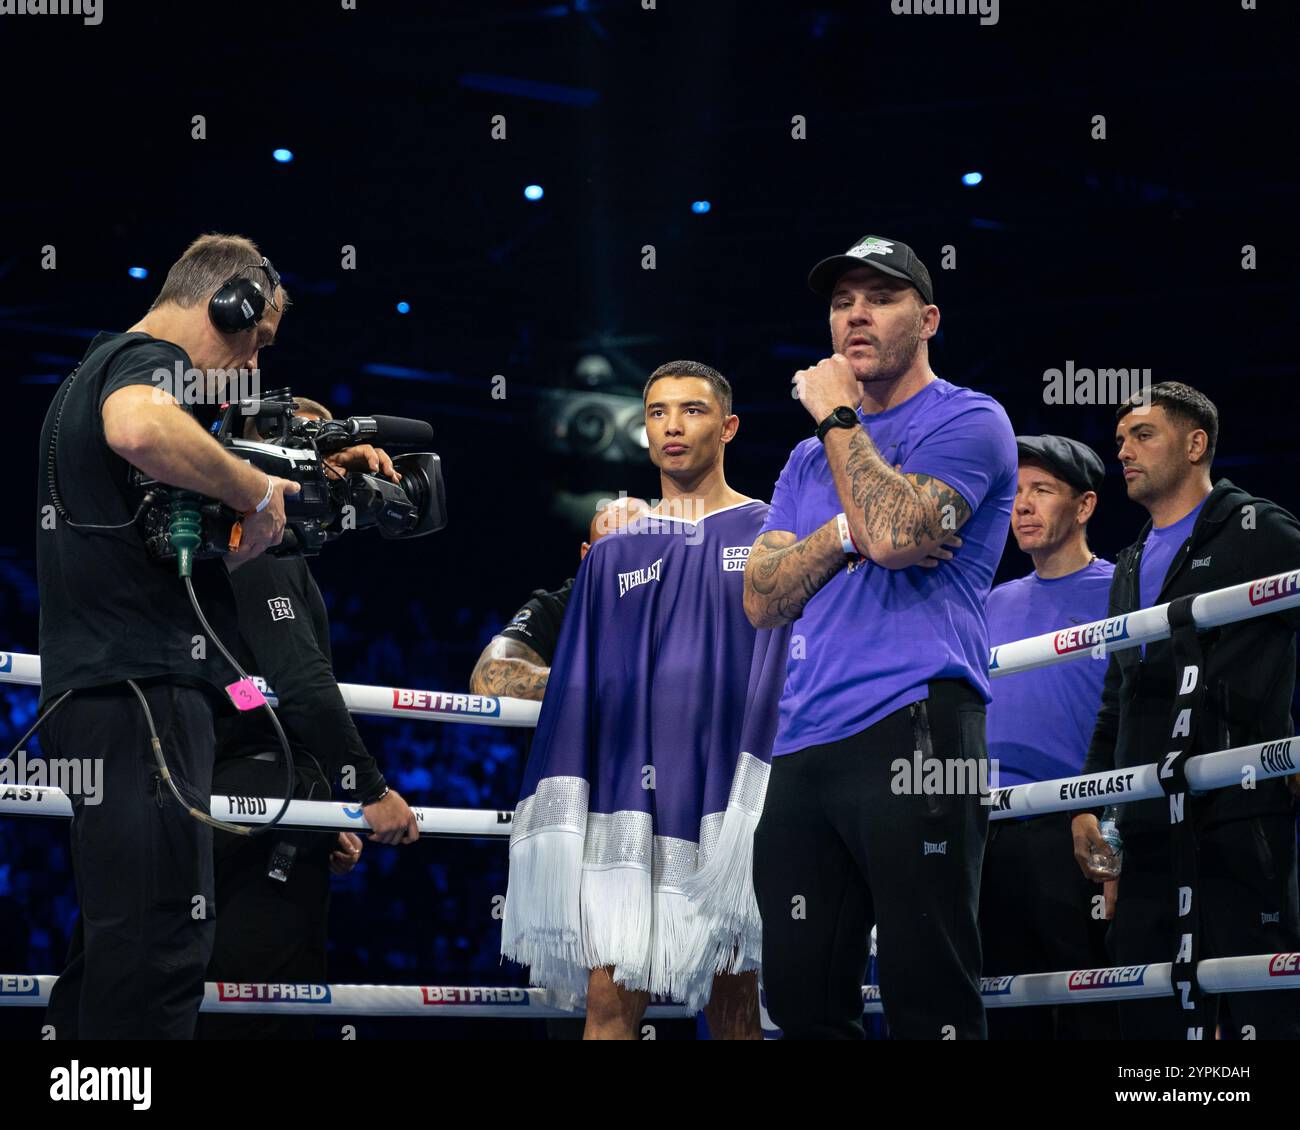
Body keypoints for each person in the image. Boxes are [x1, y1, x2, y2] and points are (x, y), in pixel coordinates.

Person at [747, 234, 1017, 1040]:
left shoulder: (972, 420)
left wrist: (836, 415)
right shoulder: (806, 460)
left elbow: (899, 531)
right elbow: (762, 599)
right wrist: (844, 530)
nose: (856, 314)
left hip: (923, 721)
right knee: (797, 995)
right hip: (806, 740)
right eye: (841, 302)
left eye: (881, 297)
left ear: (927, 318)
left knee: (926, 987)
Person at [37, 233, 298, 1039]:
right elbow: (141, 430)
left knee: (116, 948)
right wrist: (256, 493)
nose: (252, 367)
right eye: (257, 341)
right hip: (140, 699)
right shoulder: (145, 364)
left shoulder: (98, 367)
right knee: (155, 952)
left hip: (108, 699)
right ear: (229, 306)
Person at [501, 360, 787, 1040]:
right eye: (658, 411)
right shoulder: (612, 550)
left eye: (691, 410)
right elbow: (579, 682)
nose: (673, 426)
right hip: (627, 799)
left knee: (735, 1006)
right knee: (609, 1002)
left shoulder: (772, 534)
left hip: (724, 792)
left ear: (729, 425)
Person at [1074, 382, 1300, 1039]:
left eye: (1142, 435)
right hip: (1145, 828)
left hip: (1238, 813)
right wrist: (1091, 801)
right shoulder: (1131, 562)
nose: (1124, 451)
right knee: (1149, 1016)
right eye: (1119, 441)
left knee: (1264, 1004)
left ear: (1196, 443)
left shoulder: (1256, 528)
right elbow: (1117, 696)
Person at [198, 397, 419, 1040]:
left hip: (244, 797)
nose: (328, 473)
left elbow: (247, 688)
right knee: (257, 1007)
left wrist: (321, 807)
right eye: (314, 450)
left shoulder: (236, 535)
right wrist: (368, 791)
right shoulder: (254, 541)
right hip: (241, 806)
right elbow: (297, 687)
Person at [979, 435, 1118, 1040]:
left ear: (1084, 507)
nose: (1023, 506)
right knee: (1007, 1010)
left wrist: (1111, 819)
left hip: (1077, 824)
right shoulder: (988, 602)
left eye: (1042, 491)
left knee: (1094, 1006)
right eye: (1015, 493)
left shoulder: (1124, 591)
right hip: (990, 829)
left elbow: (1140, 714)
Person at [469, 496, 650, 703]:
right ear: (587, 556)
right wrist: (601, 685)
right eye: (611, 551)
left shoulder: (678, 608)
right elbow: (488, 677)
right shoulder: (554, 611)